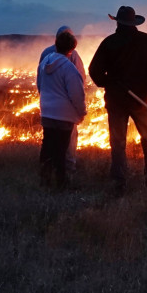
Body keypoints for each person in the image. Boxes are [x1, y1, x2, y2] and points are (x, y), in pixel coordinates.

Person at [88, 5, 147, 193]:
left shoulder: (109, 43)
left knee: (118, 142)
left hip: (117, 101)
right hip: (142, 102)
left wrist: (107, 83)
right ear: (133, 22)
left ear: (118, 22)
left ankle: (118, 184)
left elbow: (94, 71)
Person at [37, 30, 87, 189]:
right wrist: (81, 112)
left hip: (47, 113)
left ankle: (45, 180)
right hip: (64, 116)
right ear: (71, 49)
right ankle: (61, 184)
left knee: (47, 147)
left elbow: (40, 84)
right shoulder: (69, 68)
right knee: (62, 150)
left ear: (56, 45)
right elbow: (77, 94)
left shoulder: (45, 62)